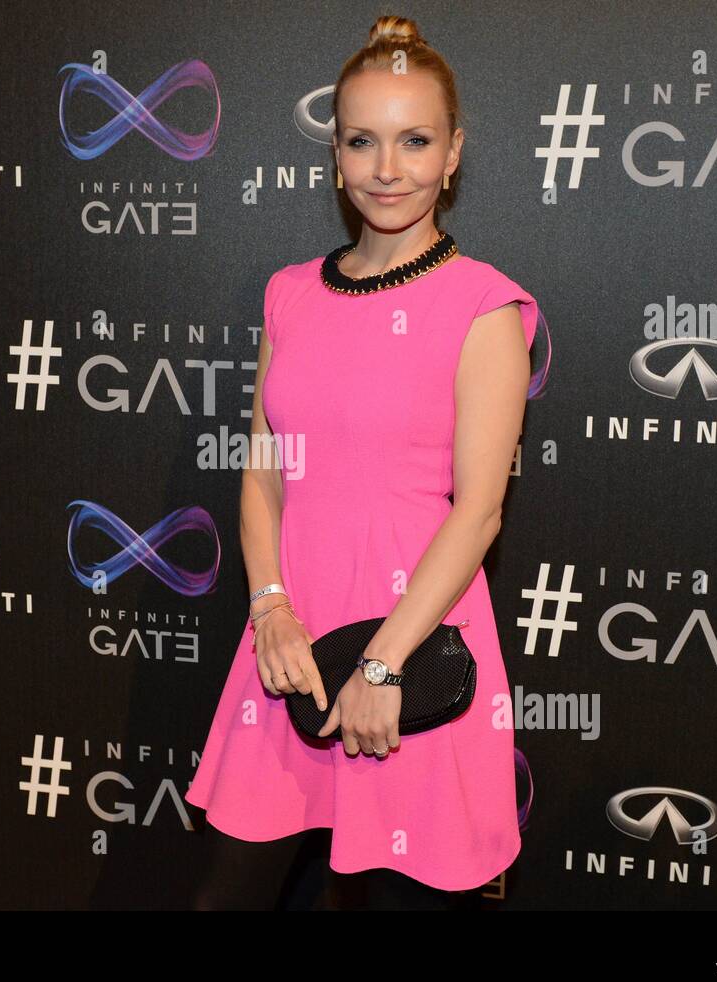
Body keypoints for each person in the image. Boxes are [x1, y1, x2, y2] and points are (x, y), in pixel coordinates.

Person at [184, 13, 540, 909]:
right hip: (289, 649)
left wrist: (383, 666)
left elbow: (479, 512)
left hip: (413, 654)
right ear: (334, 154)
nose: (389, 168)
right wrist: (268, 608)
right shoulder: (290, 293)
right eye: (363, 141)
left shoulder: (484, 307)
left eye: (415, 140)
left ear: (453, 152)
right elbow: (264, 469)